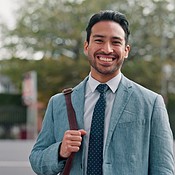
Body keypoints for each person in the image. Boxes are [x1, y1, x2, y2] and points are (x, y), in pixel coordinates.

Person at [29, 10, 174, 175]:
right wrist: (60, 151)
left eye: (115, 42)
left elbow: (163, 169)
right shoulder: (58, 103)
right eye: (99, 40)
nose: (107, 49)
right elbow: (36, 160)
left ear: (126, 50)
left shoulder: (151, 103)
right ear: (86, 46)